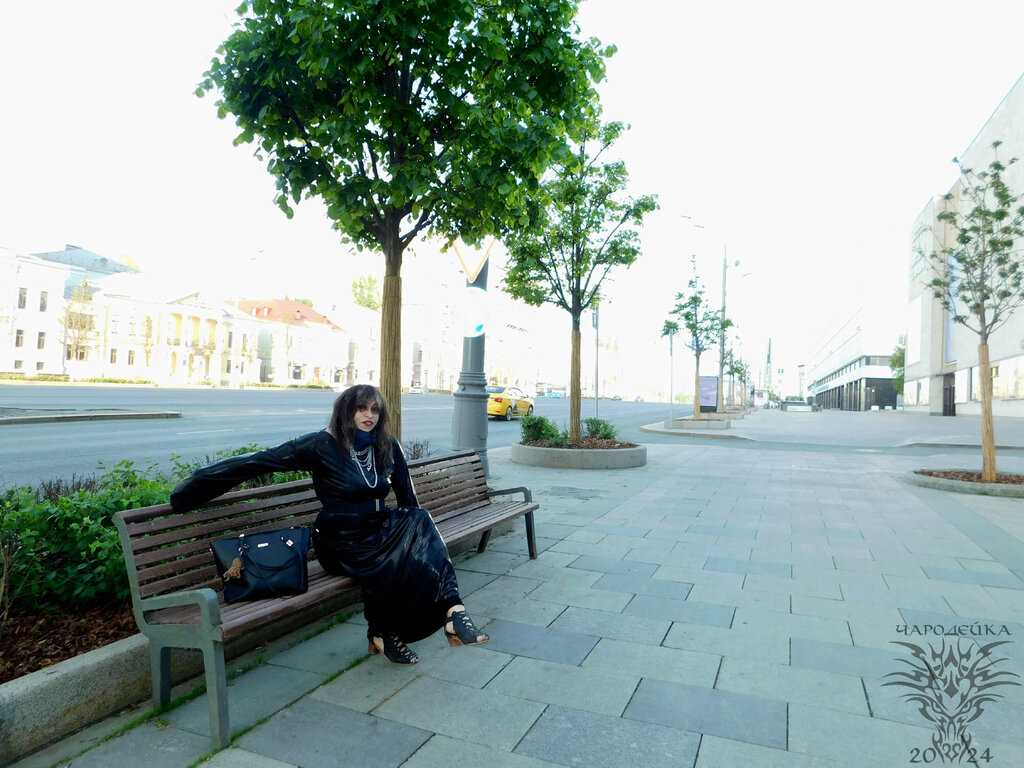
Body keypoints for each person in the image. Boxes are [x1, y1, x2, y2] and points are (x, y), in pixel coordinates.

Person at [169, 384, 488, 665]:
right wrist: (195, 485)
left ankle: (453, 611)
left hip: (375, 535)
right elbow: (261, 460)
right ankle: (384, 632)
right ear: (346, 411)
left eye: (375, 409)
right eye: (361, 408)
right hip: (337, 543)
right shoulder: (322, 445)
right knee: (388, 557)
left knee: (417, 523)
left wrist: (419, 541)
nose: (369, 415)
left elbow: (409, 500)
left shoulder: (386, 446)